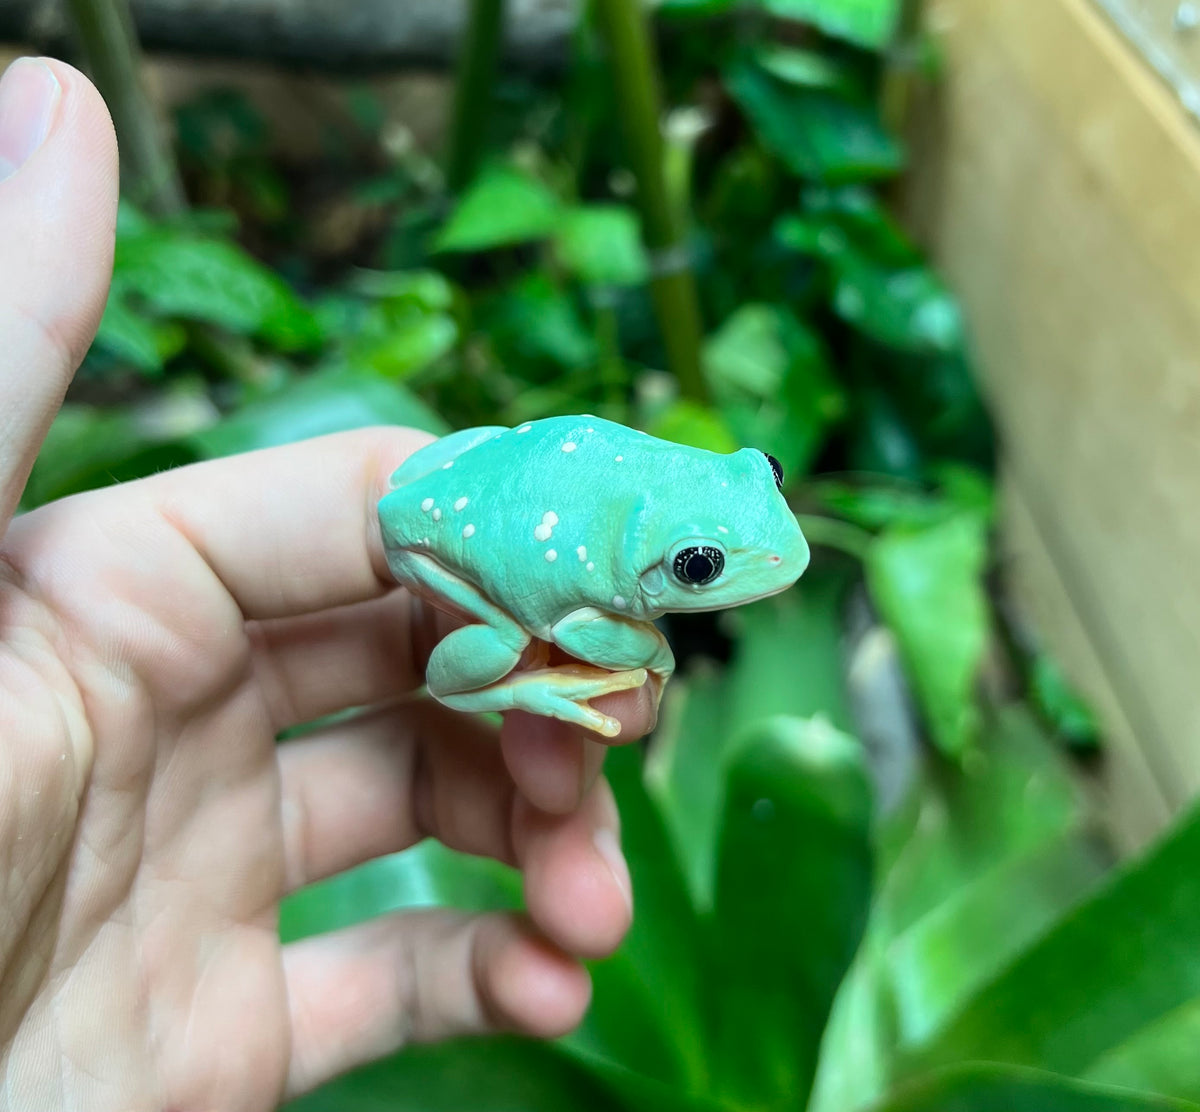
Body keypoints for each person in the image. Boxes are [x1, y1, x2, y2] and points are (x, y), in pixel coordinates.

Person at [0, 57, 650, 1110]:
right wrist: (546, 668)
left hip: (469, 475)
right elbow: (588, 619)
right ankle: (510, 674)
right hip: (466, 555)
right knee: (534, 648)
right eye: (702, 569)